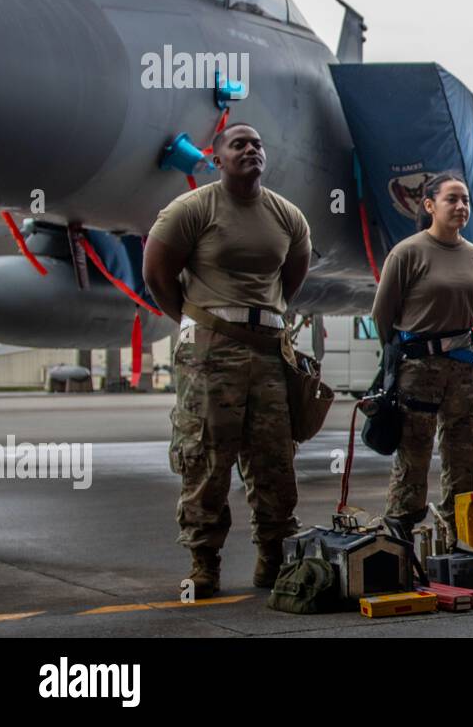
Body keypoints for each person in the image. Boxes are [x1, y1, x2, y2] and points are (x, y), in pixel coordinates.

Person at [144, 122, 311, 599]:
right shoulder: (193, 209)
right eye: (238, 144)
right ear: (216, 158)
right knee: (207, 457)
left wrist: (260, 321)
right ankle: (204, 565)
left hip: (268, 352)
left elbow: (292, 277)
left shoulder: (287, 216)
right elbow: (156, 272)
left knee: (274, 458)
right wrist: (194, 321)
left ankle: (272, 558)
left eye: (257, 143)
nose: (250, 150)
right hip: (211, 353)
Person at [371, 171, 473, 545]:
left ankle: (459, 540)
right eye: (451, 199)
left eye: (465, 200)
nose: (460, 207)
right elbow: (382, 315)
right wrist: (403, 357)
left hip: (464, 368)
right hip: (417, 368)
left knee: (464, 454)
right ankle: (400, 542)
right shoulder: (407, 253)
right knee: (414, 456)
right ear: (429, 205)